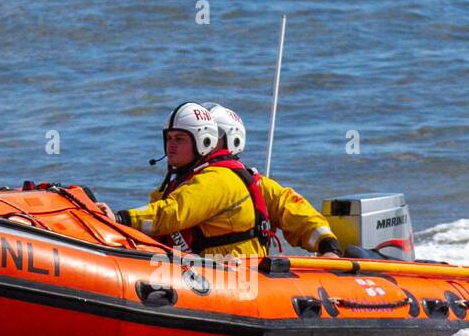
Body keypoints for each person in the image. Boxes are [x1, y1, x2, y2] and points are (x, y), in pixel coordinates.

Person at [100, 101, 341, 258]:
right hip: (204, 272)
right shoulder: (189, 180)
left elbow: (174, 212)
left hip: (233, 276)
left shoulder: (221, 179)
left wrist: (327, 245)